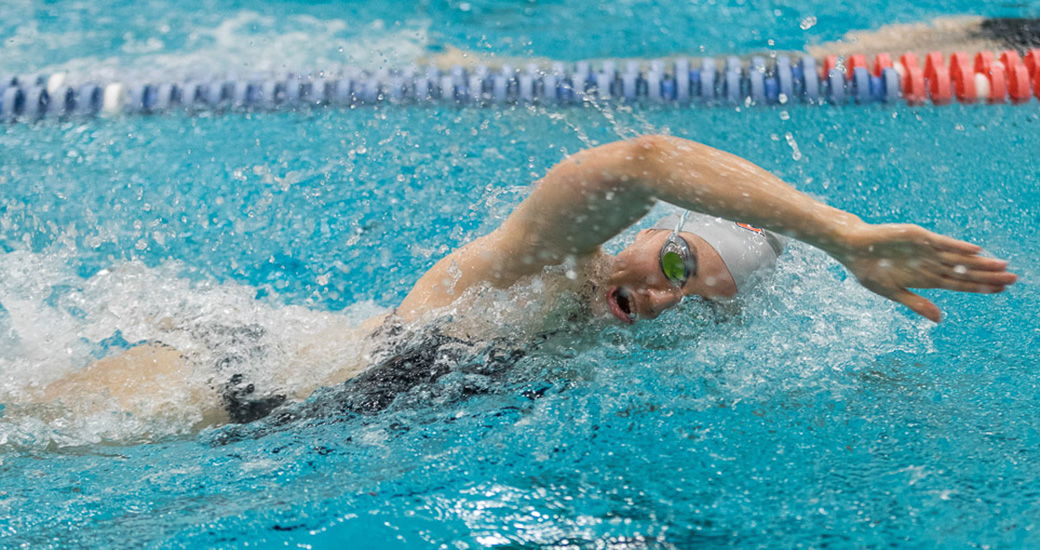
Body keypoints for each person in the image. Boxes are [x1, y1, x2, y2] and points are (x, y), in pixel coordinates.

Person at [25, 136, 1018, 428]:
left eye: (695, 297)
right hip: (230, 385)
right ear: (649, 237)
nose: (666, 295)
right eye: (674, 261)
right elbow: (632, 160)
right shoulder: (536, 269)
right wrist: (840, 234)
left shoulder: (594, 353)